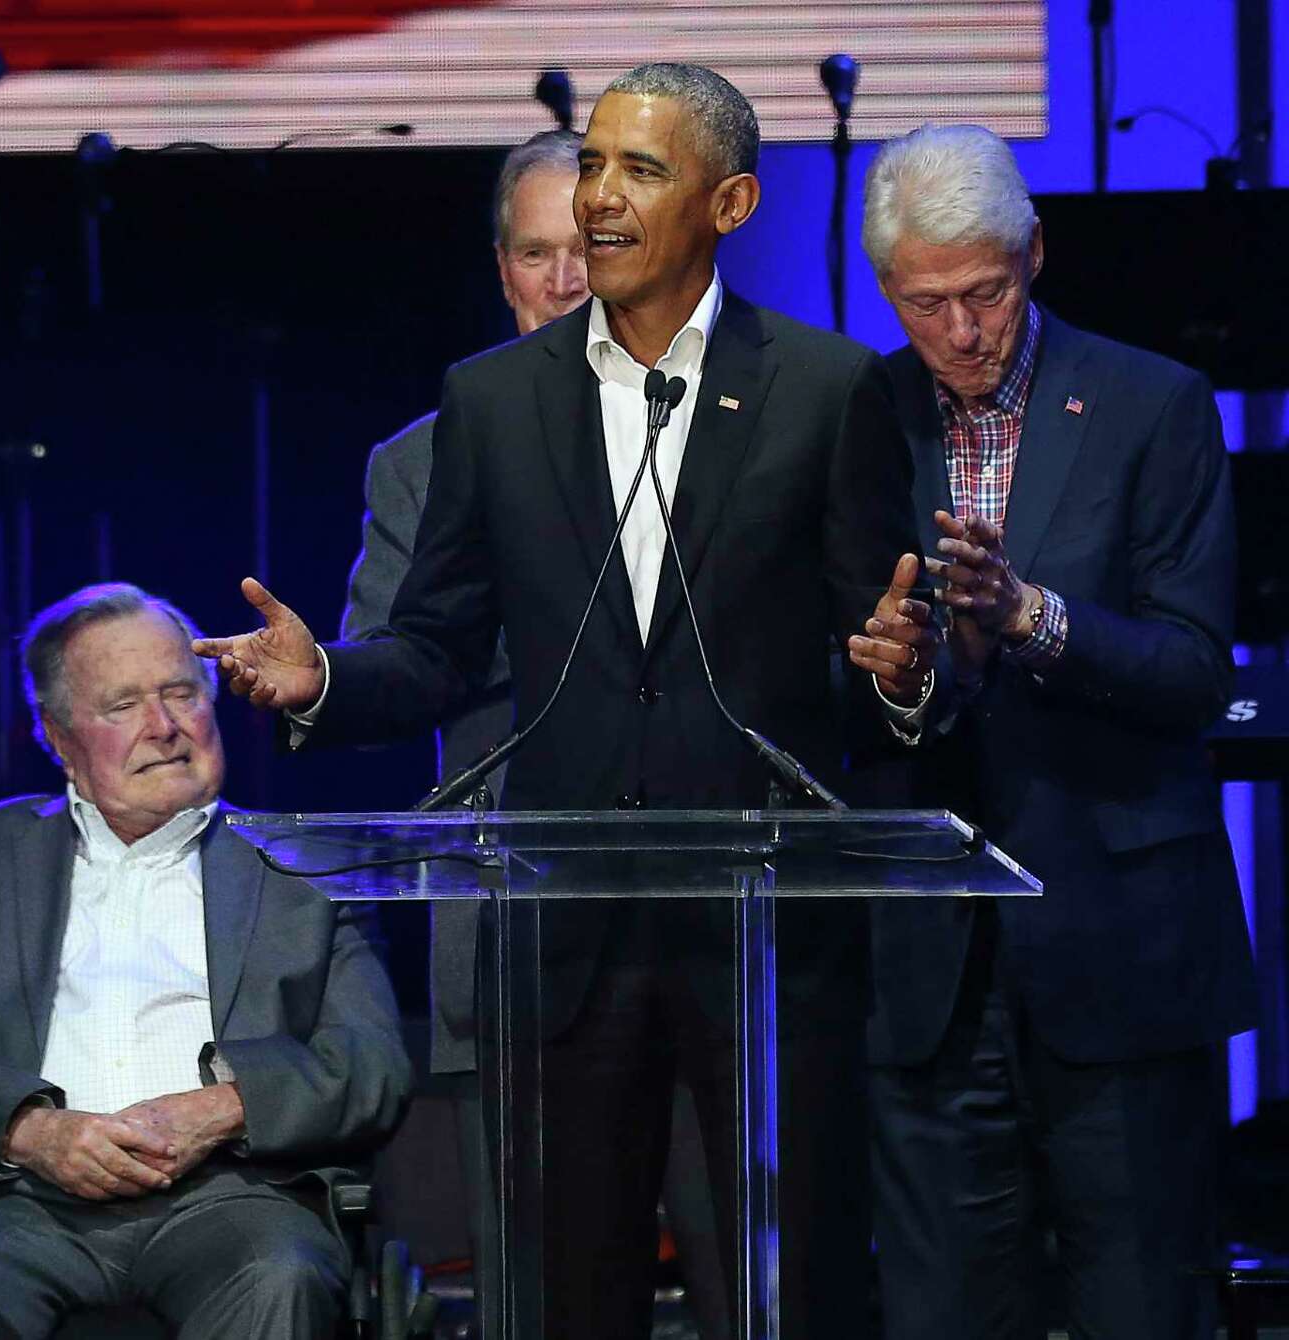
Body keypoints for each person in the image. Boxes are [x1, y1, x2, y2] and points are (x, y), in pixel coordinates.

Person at [197, 62, 933, 1339]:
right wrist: (327, 679)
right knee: (564, 1300)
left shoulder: (827, 389)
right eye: (593, 163)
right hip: (564, 941)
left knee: (786, 1295)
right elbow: (432, 646)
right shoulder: (493, 401)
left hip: (762, 947)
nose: (600, 196)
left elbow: (870, 656)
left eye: (639, 170)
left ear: (732, 202)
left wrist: (905, 674)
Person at [860, 124, 1259, 1340]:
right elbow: (825, 674)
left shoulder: (1155, 403)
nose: (962, 331)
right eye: (929, 304)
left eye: (985, 292)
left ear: (1035, 254)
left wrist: (1032, 615)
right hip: (933, 967)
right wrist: (900, 669)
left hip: (1121, 946)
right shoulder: (857, 417)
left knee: (1144, 1304)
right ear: (891, 290)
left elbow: (1196, 667)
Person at [338, 124, 731, 1339]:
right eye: (536, 252)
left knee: (751, 1284)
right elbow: (398, 663)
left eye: (592, 245)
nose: (566, 279)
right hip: (524, 936)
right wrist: (317, 684)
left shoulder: (737, 424)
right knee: (550, 1299)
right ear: (503, 270)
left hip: (723, 928)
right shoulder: (422, 461)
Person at [0, 582, 413, 1338]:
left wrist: (227, 1109)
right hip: (18, 1204)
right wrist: (32, 1131)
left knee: (279, 1277)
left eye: (181, 692)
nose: (164, 727)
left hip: (232, 1197)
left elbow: (372, 1063)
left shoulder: (305, 867)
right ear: (55, 735)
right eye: (123, 706)